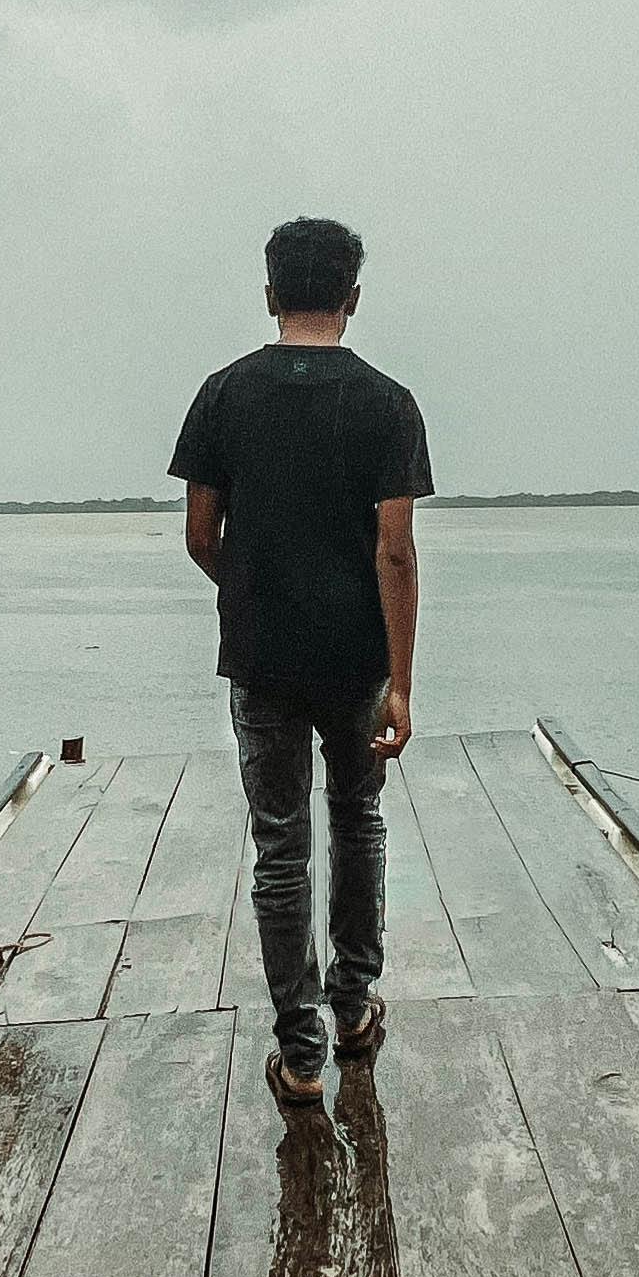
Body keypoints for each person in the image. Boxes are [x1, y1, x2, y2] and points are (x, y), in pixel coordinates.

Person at [169, 216, 432, 1112]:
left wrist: (253, 583)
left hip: (262, 655)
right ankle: (354, 1007)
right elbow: (394, 553)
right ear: (351, 300)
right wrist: (401, 677)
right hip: (358, 657)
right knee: (357, 820)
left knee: (281, 845)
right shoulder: (389, 404)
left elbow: (202, 535)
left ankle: (303, 1051)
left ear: (271, 294)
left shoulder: (222, 394)